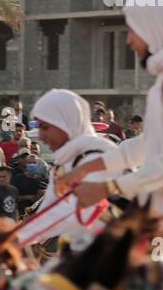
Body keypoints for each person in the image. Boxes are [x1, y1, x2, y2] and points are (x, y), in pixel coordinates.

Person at [61, 0, 163, 218]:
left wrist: (107, 187)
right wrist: (85, 169)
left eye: (133, 30)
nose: (129, 41)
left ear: (155, 29)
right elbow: (151, 144)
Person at [29, 89, 117, 235]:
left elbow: (78, 213)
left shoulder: (98, 154)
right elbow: (47, 210)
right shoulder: (62, 162)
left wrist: (21, 235)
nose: (41, 136)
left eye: (45, 127)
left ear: (65, 122)